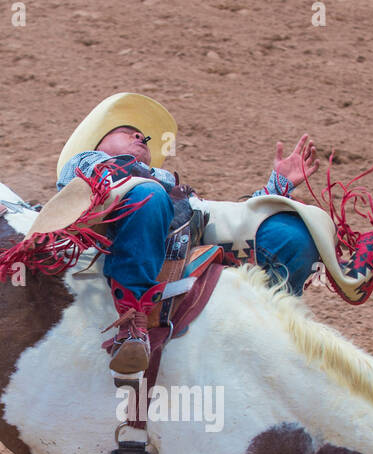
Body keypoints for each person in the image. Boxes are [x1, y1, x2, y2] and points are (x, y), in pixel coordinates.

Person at [54, 93, 323, 375]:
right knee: (149, 194)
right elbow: (89, 187)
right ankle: (131, 324)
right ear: (97, 142)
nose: (140, 137)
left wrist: (276, 188)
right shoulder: (84, 161)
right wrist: (151, 182)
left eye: (143, 137)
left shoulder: (169, 184)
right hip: (129, 218)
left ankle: (279, 332)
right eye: (127, 131)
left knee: (287, 233)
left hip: (184, 227)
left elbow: (230, 216)